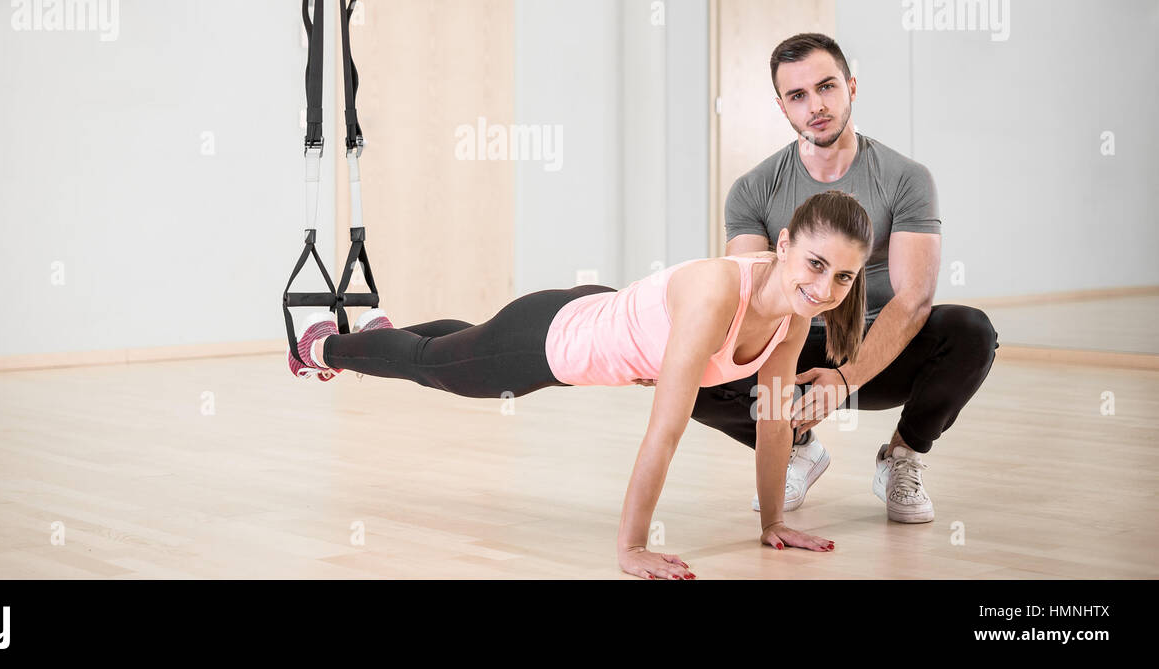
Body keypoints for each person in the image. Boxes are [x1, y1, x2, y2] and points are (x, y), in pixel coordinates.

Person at [290, 190, 874, 579]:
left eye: (843, 276)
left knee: (461, 348)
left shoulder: (793, 316)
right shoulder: (718, 293)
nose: (825, 288)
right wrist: (632, 546)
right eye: (816, 264)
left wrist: (772, 523)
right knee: (437, 367)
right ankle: (321, 346)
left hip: (591, 316)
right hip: (551, 342)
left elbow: (774, 422)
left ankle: (379, 333)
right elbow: (665, 431)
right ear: (784, 243)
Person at [692, 32, 999, 524]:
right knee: (691, 364)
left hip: (879, 352)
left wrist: (844, 379)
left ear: (851, 87)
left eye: (826, 87)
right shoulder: (751, 190)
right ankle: (796, 445)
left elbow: (914, 299)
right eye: (798, 96)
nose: (816, 105)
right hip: (790, 353)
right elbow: (747, 300)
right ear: (782, 107)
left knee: (971, 331)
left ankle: (901, 455)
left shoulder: (906, 178)